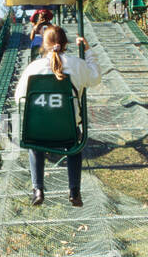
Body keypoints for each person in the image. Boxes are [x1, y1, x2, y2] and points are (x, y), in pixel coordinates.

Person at [14, 25, 102, 207]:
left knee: (35, 142)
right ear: (66, 43)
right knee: (74, 143)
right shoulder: (77, 64)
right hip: (66, 131)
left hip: (38, 131)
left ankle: (37, 189)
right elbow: (95, 77)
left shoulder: (33, 68)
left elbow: (19, 99)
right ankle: (74, 191)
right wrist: (88, 51)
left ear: (43, 45)